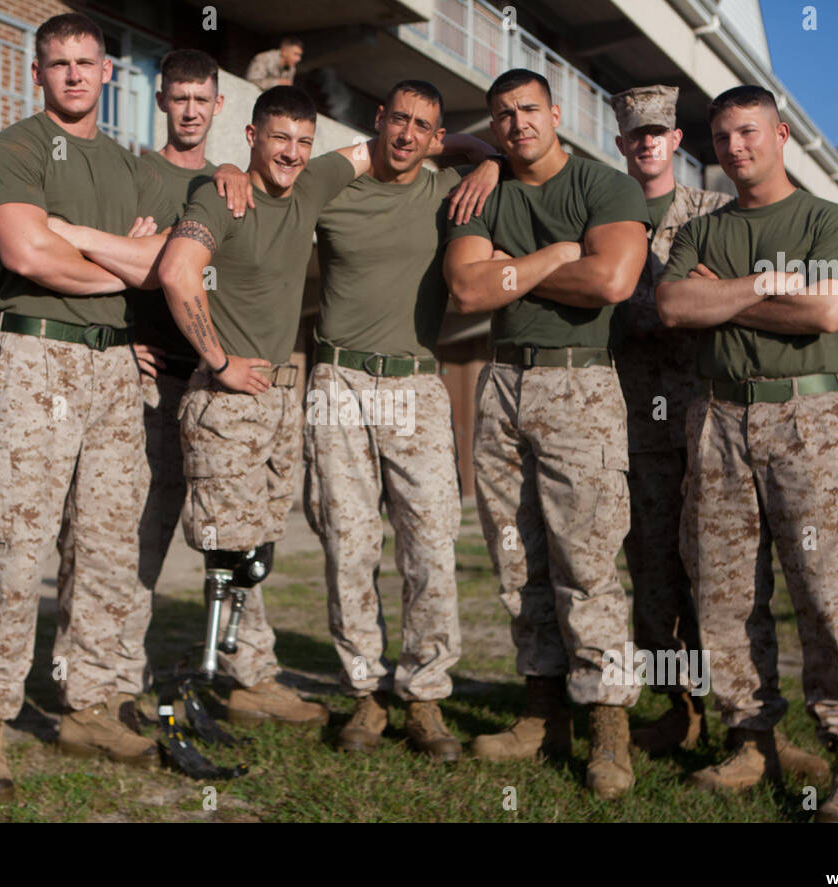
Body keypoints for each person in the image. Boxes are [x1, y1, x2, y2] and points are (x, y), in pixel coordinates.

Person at [0, 13, 172, 804]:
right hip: (35, 357)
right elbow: (24, 253)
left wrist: (80, 238)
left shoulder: (134, 167)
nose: (74, 74)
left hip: (115, 369)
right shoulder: (11, 150)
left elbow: (166, 258)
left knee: (108, 545)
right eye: (57, 63)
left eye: (86, 61)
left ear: (108, 71)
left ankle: (89, 705)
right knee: (11, 544)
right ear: (36, 71)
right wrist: (124, 261)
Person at [657, 84, 838, 823]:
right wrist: (766, 285)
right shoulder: (701, 229)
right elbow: (671, 306)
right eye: (723, 137)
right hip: (718, 416)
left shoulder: (829, 220)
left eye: (749, 132)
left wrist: (722, 295)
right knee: (725, 595)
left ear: (781, 133)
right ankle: (750, 737)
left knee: (826, 590)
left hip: (807, 416)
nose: (736, 148)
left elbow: (827, 310)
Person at [443, 68, 649, 798]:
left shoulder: (602, 186)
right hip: (501, 384)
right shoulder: (481, 191)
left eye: (528, 108)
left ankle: (608, 727)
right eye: (501, 115)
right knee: (516, 558)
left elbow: (613, 280)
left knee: (586, 561)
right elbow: (467, 289)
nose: (516, 122)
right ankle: (541, 714)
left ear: (555, 113)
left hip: (579, 384)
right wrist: (560, 256)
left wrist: (515, 271)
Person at [157, 86, 386, 725]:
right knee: (228, 548)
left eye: (303, 141)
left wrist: (482, 155)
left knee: (256, 546)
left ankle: (241, 670)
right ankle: (239, 679)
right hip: (229, 396)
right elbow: (178, 272)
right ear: (252, 136)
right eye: (279, 138)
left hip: (282, 396)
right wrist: (220, 360)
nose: (291, 152)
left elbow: (385, 146)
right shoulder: (221, 195)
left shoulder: (310, 185)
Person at [46, 48, 250, 732]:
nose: (191, 110)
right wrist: (120, 326)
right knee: (106, 540)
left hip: (206, 386)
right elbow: (95, 259)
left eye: (203, 100)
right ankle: (92, 687)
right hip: (137, 381)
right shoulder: (131, 171)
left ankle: (166, 678)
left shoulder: (230, 185)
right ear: (161, 100)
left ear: (219, 106)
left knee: (179, 542)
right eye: (179, 98)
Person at [308, 79, 501, 761]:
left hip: (415, 384)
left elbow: (495, 141)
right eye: (398, 119)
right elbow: (272, 201)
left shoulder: (451, 193)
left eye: (423, 126)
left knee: (431, 544)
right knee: (349, 543)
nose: (407, 134)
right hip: (337, 381)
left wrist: (488, 159)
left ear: (435, 136)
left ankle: (424, 696)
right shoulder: (335, 188)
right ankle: (364, 692)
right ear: (380, 120)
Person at [607, 85, 731, 753]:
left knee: (721, 570)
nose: (648, 142)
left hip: (710, 417)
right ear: (622, 143)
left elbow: (732, 294)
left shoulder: (716, 211)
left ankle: (739, 711)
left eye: (660, 132)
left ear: (676, 140)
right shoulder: (606, 212)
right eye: (636, 134)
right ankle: (679, 707)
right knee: (653, 571)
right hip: (636, 421)